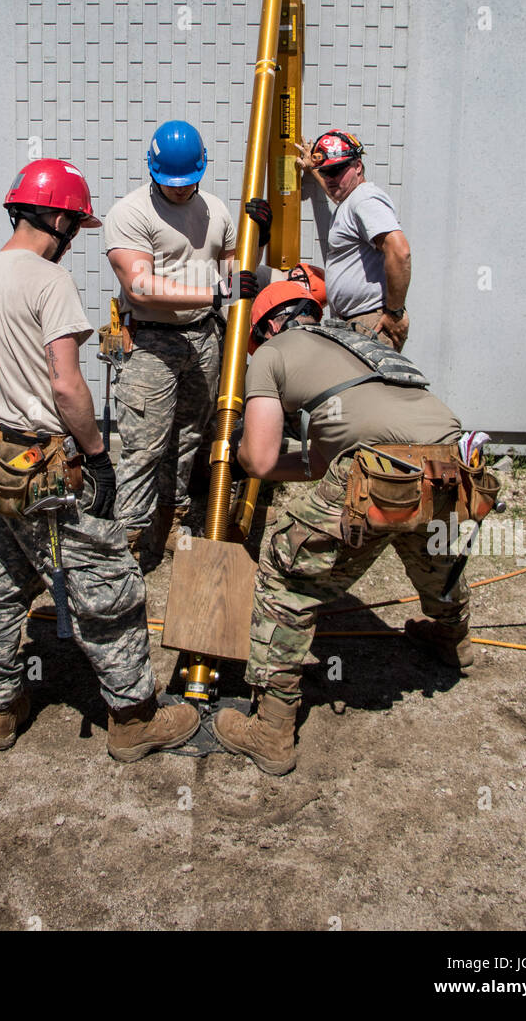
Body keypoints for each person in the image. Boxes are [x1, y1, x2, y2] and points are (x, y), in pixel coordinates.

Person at [0, 158, 199, 757]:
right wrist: (96, 454)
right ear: (57, 220)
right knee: (109, 585)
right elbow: (66, 384)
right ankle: (134, 719)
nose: (72, 242)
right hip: (47, 467)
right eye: (73, 227)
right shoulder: (47, 281)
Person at [213, 281, 497, 776]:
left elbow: (260, 457)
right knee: (431, 545)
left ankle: (272, 727)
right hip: (453, 461)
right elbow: (322, 463)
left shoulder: (272, 353)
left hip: (376, 466)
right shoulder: (360, 344)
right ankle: (454, 640)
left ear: (269, 327)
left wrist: (235, 458)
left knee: (285, 573)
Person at [104, 120, 264, 559]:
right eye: (169, 182)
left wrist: (258, 240)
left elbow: (237, 278)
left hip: (203, 338)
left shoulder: (216, 210)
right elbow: (140, 286)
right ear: (152, 170)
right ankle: (129, 543)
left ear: (202, 170)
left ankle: (170, 521)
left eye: (187, 182)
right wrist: (213, 292)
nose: (178, 190)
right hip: (151, 344)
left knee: (190, 436)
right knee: (144, 447)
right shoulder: (131, 213)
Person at [295, 129, 411, 351]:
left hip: (370, 322)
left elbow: (400, 252)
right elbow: (335, 191)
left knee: (366, 387)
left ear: (358, 166)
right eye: (325, 172)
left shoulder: (365, 199)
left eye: (336, 170)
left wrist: (394, 313)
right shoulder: (351, 199)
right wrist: (314, 169)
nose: (330, 178)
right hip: (357, 323)